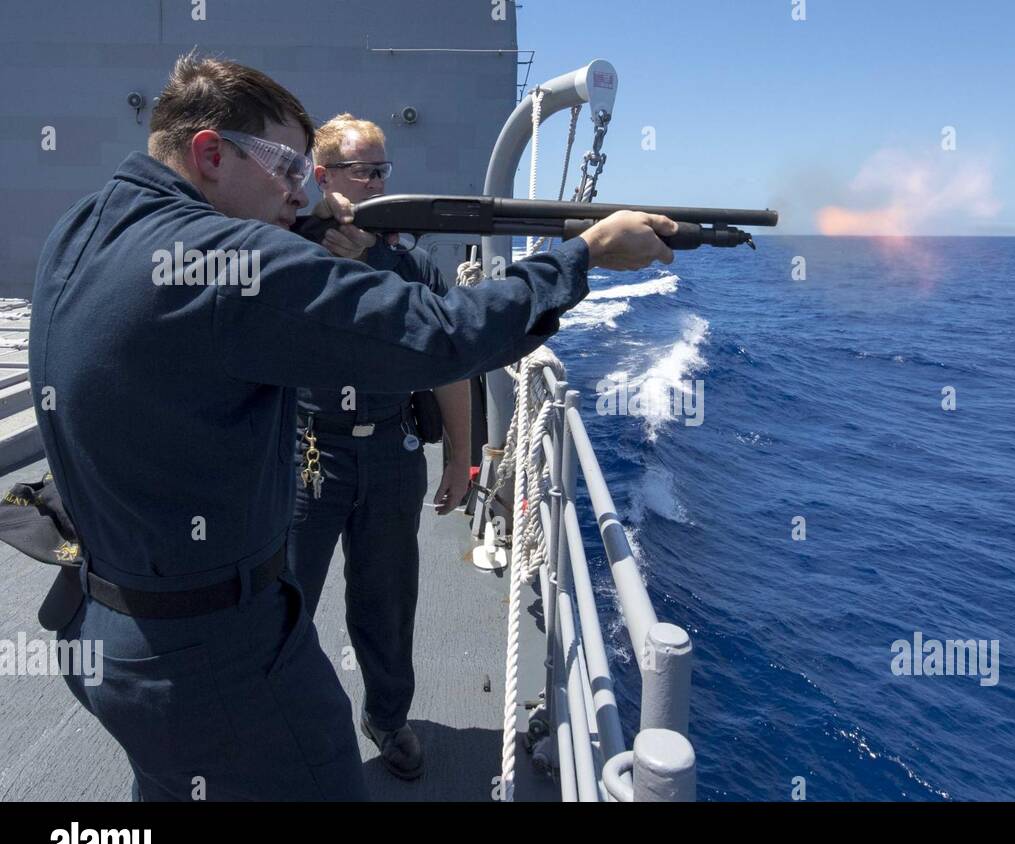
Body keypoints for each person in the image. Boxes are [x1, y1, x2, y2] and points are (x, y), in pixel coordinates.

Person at [29, 51, 674, 801]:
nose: (299, 190)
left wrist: (303, 230)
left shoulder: (88, 224)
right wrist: (583, 254)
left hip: (107, 625)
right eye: (285, 168)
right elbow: (442, 336)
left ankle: (386, 712)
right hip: (215, 658)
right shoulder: (230, 261)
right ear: (209, 154)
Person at [286, 114, 467, 780]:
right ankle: (285, 718)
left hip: (391, 451)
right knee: (286, 599)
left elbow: (446, 359)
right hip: (310, 452)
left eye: (384, 168)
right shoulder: (290, 247)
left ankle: (388, 717)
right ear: (323, 174)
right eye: (364, 169)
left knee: (388, 599)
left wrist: (457, 456)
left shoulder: (411, 262)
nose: (378, 181)